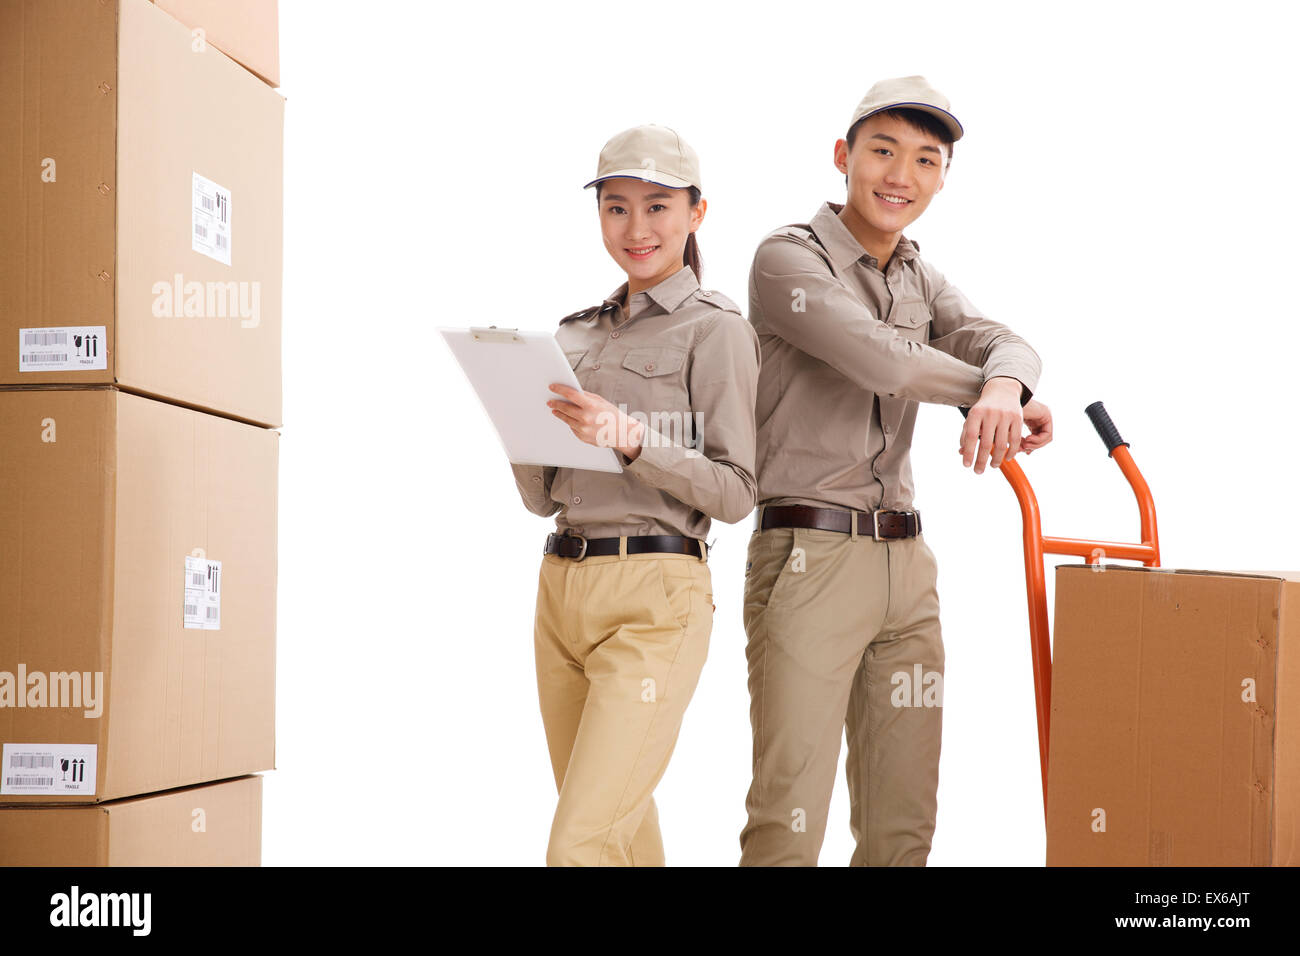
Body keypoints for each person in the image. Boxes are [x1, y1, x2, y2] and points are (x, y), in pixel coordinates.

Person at [739, 76, 1054, 866]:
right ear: (843, 156)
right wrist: (988, 397)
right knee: (790, 816)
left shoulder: (918, 273)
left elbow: (1000, 339)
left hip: (906, 568)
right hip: (812, 557)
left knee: (903, 824)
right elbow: (884, 362)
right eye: (882, 151)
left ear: (943, 177)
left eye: (925, 159)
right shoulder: (786, 260)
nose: (900, 176)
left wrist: (1007, 387)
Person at [511, 123, 761, 866]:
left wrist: (631, 438)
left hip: (656, 598)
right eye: (616, 207)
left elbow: (737, 491)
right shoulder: (575, 332)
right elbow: (542, 497)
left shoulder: (715, 331)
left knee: (579, 843)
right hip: (561, 586)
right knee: (618, 831)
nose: (636, 227)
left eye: (657, 206)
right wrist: (516, 419)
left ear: (697, 214)